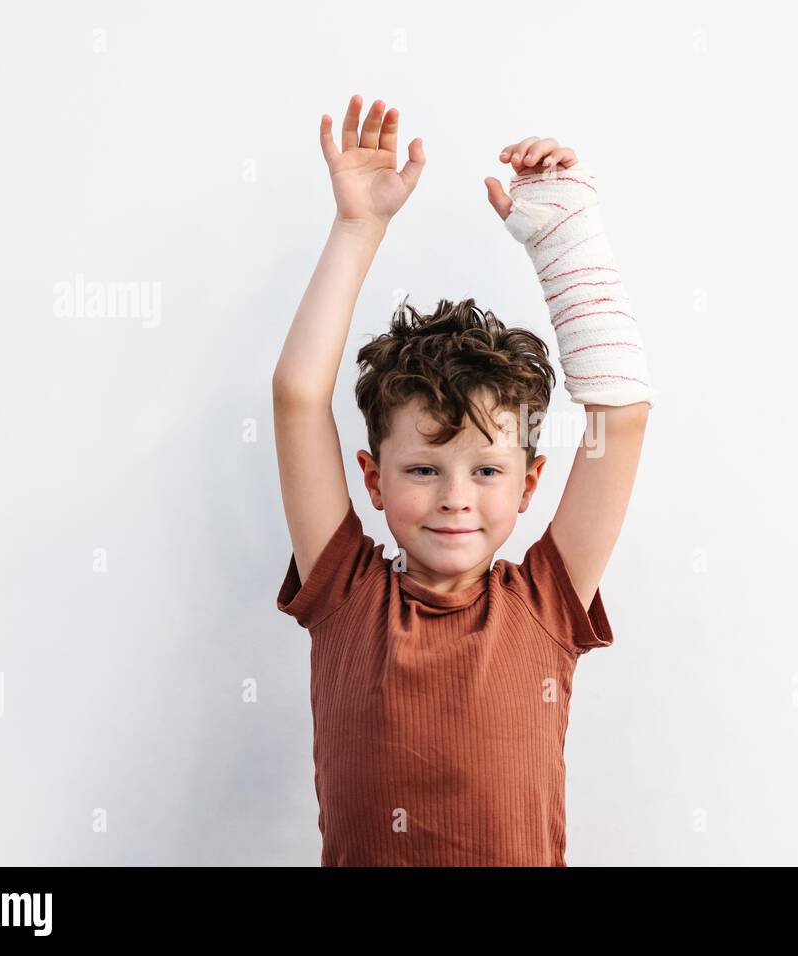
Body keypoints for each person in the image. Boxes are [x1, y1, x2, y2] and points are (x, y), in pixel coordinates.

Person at [271, 93, 656, 866]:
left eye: (486, 470)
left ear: (530, 483)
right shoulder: (347, 596)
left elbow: (624, 412)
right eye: (423, 469)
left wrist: (566, 242)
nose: (455, 496)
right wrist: (358, 227)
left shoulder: (547, 601)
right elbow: (297, 397)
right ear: (373, 480)